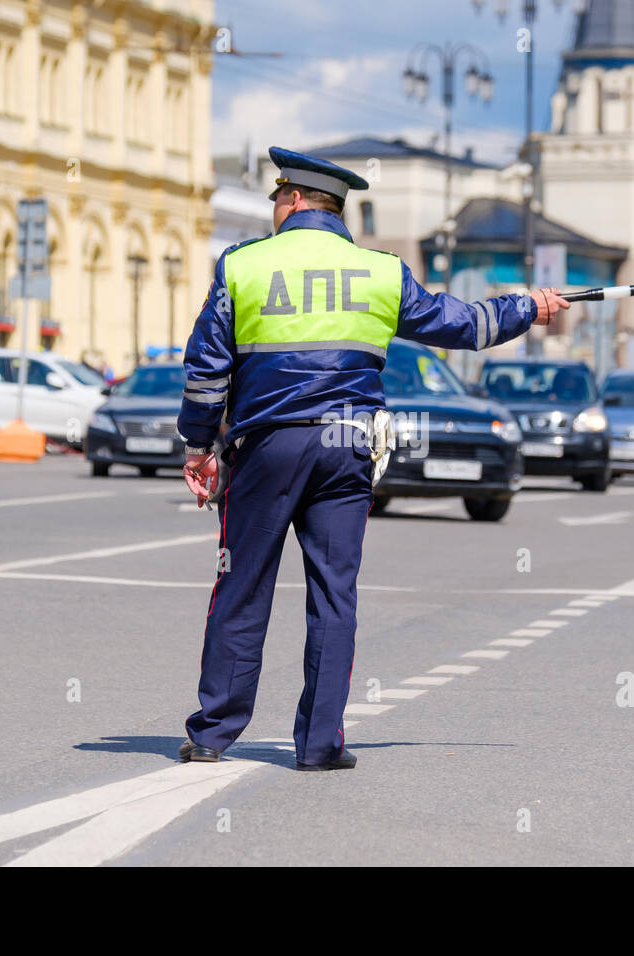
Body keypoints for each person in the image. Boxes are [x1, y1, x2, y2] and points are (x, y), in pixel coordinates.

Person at [177, 146, 569, 771]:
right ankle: (320, 744)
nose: (274, 208)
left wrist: (199, 445)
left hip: (269, 443)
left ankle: (214, 733)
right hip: (347, 446)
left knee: (243, 584)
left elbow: (206, 370)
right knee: (335, 594)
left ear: (297, 200)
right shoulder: (380, 272)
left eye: (278, 198)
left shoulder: (242, 266)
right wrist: (528, 307)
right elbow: (464, 325)